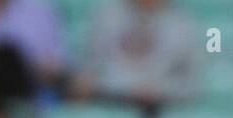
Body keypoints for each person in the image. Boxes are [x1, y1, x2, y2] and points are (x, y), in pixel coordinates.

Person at [73, 0, 201, 111]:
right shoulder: (107, 15)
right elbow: (91, 69)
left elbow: (191, 80)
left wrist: (162, 89)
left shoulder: (181, 21)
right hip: (112, 102)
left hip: (164, 106)